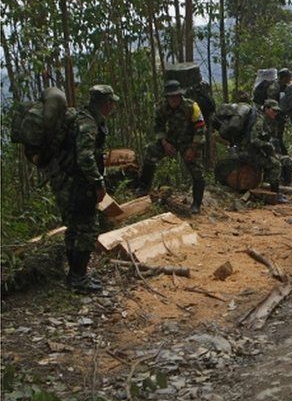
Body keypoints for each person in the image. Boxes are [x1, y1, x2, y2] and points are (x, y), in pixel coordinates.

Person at [51, 85, 119, 293]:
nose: (112, 107)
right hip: (78, 185)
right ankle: (78, 278)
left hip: (67, 182)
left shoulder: (82, 117)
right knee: (87, 229)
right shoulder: (88, 124)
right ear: (105, 104)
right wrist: (98, 183)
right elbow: (85, 158)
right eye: (111, 103)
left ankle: (75, 275)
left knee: (74, 227)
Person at [135, 80, 207, 213]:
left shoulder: (192, 107)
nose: (174, 99)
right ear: (167, 97)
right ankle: (143, 187)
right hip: (171, 140)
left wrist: (193, 148)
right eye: (171, 96)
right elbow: (158, 127)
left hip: (190, 141)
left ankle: (196, 204)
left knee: (197, 171)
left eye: (176, 96)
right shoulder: (161, 107)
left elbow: (200, 128)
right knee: (151, 152)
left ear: (180, 95)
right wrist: (164, 143)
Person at [241, 100, 291, 203]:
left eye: (277, 111)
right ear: (267, 109)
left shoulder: (265, 119)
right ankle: (274, 195)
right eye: (274, 110)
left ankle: (276, 190)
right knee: (276, 164)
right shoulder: (259, 120)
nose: (275, 113)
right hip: (250, 153)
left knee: (282, 159)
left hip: (257, 152)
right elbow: (253, 140)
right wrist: (267, 145)